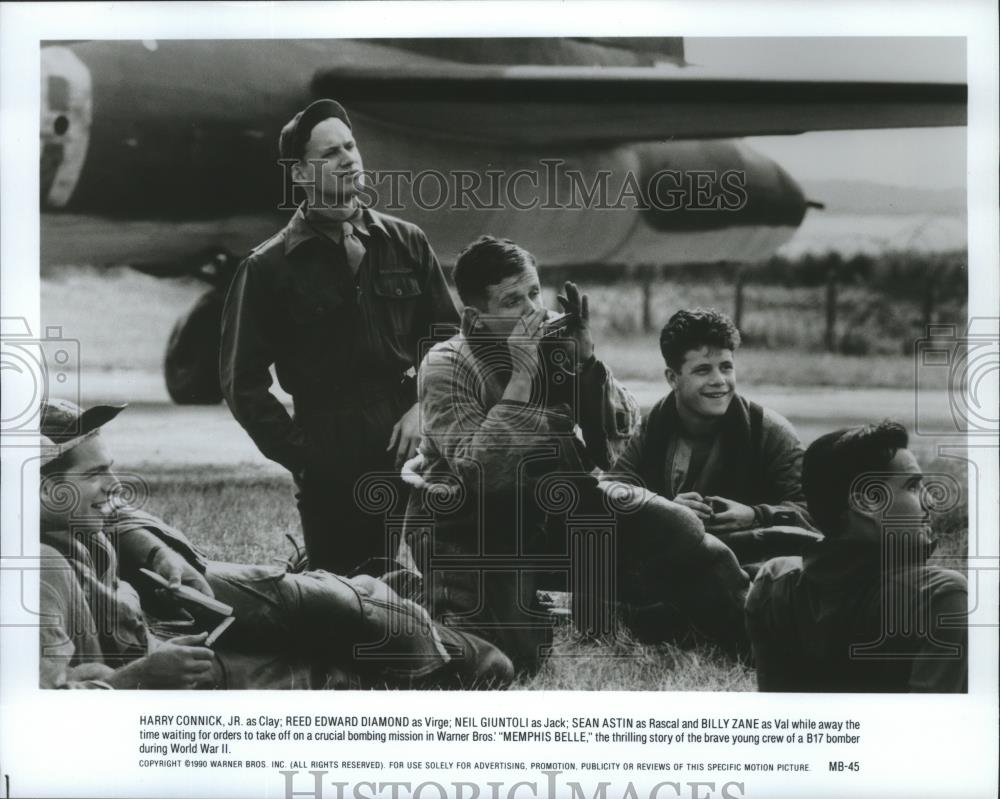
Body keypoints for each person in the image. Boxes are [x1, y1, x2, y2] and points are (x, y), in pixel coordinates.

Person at [403, 237, 750, 673]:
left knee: (678, 526)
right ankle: (417, 591)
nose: (533, 309)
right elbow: (483, 473)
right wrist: (523, 378)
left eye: (534, 292)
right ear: (475, 315)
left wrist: (587, 363)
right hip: (470, 522)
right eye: (512, 301)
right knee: (517, 657)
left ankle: (756, 633)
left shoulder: (555, 341)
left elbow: (613, 443)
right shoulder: (445, 365)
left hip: (556, 502)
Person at [37, 399, 511, 690]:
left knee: (326, 603)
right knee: (326, 671)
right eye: (97, 474)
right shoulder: (35, 572)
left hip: (168, 615)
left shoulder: (73, 518)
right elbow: (46, 713)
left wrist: (158, 551)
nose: (116, 484)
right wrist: (138, 680)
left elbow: (119, 514)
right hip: (165, 667)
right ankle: (407, 614)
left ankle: (389, 601)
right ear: (38, 489)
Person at [220, 99, 460, 574]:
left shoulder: (406, 242)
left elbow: (445, 336)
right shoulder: (268, 268)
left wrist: (421, 408)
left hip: (407, 440)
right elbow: (240, 379)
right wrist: (303, 457)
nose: (349, 158)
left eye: (350, 146)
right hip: (329, 441)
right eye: (330, 154)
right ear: (301, 175)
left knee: (441, 582)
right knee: (343, 597)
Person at [745, 421, 968, 692]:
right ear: (866, 502)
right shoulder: (938, 595)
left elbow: (778, 716)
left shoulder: (775, 584)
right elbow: (934, 727)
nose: (929, 501)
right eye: (912, 486)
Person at [610, 308, 819, 571]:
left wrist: (756, 515)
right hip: (664, 575)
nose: (719, 381)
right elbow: (610, 496)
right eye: (702, 370)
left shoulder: (770, 431)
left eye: (726, 367)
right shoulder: (645, 429)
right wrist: (663, 511)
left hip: (753, 577)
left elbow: (814, 512)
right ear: (673, 378)